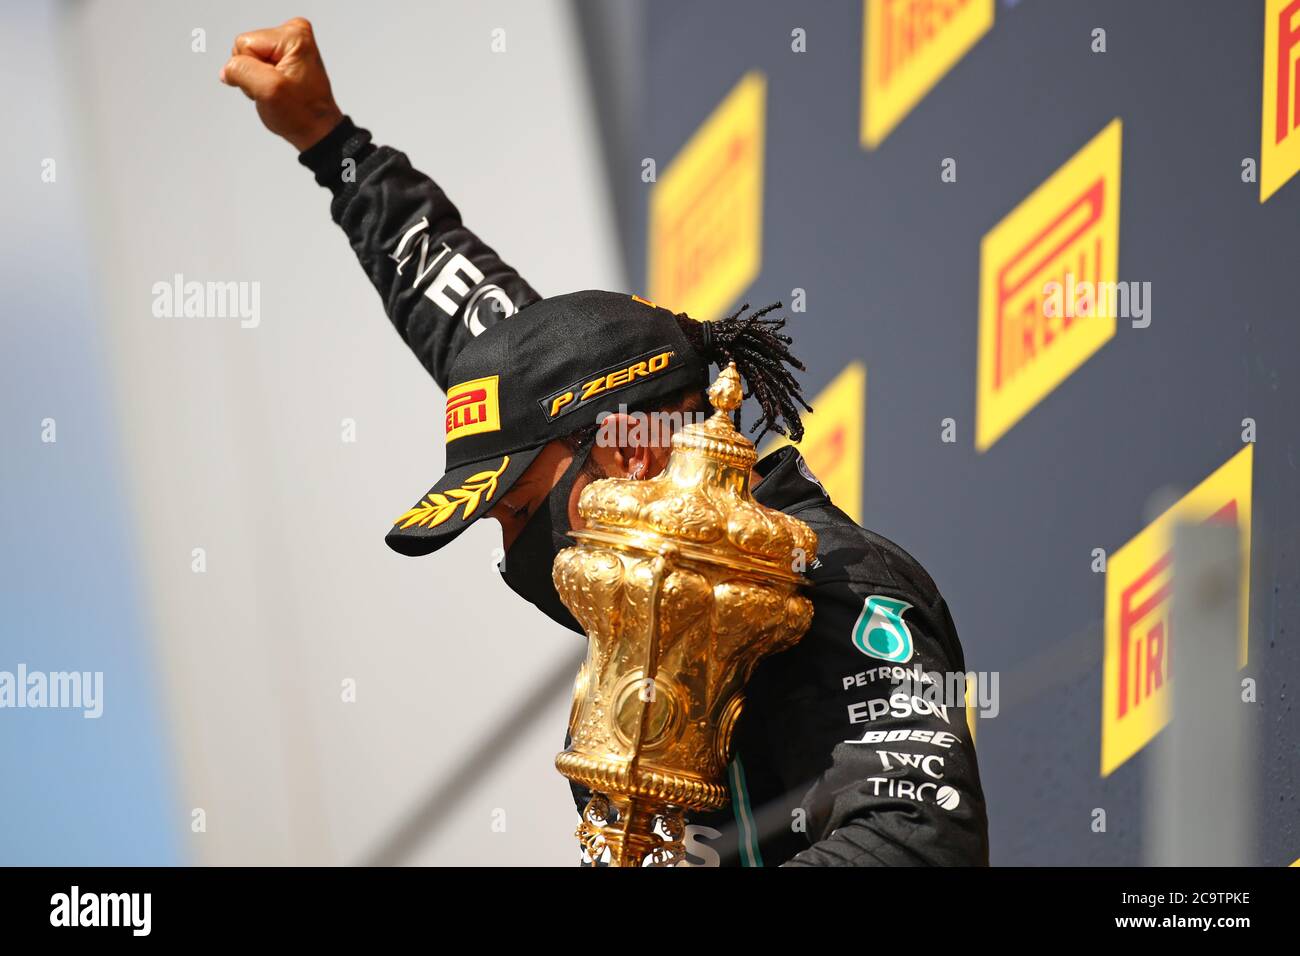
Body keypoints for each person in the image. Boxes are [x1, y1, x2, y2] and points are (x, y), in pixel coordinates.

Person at [221, 17, 989, 866]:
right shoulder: (620, 514)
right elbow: (497, 342)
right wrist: (332, 145)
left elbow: (921, 843)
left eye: (514, 509)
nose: (515, 550)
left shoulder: (829, 587)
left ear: (626, 452)